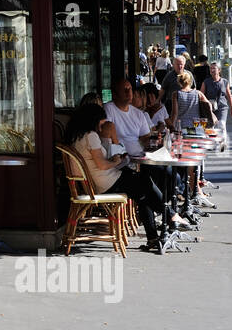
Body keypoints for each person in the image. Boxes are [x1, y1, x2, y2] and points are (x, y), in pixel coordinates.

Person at [65, 103, 165, 251]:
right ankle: (169, 215)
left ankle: (154, 236)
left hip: (98, 181)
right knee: (144, 183)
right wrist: (116, 161)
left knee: (142, 190)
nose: (102, 125)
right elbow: (102, 165)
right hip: (105, 182)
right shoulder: (90, 136)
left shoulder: (76, 137)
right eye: (101, 121)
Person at [104, 79, 163, 157]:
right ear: (114, 94)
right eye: (125, 90)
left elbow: (145, 138)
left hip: (140, 157)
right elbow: (107, 136)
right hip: (120, 160)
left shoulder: (138, 113)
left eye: (130, 89)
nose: (129, 93)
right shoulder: (109, 108)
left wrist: (154, 140)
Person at [201, 61, 232, 151]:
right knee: (211, 126)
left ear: (219, 70)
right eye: (211, 68)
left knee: (221, 125)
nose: (212, 70)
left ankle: (222, 143)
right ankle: (212, 143)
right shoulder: (206, 82)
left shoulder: (224, 82)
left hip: (222, 107)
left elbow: (228, 95)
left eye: (214, 68)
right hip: (210, 108)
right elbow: (201, 94)